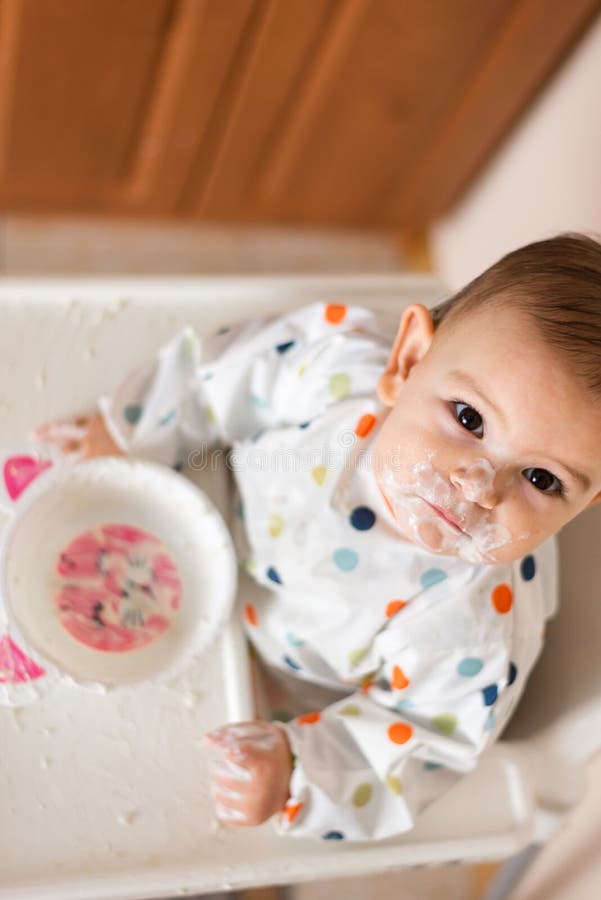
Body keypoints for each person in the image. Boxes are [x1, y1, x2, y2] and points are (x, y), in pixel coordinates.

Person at [37, 233, 601, 842]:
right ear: (407, 361)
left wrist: (296, 770)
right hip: (197, 519)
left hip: (279, 678)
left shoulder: (475, 628)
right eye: (468, 419)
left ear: (587, 504)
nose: (480, 487)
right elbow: (218, 376)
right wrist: (136, 430)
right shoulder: (336, 366)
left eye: (542, 479)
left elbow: (419, 743)